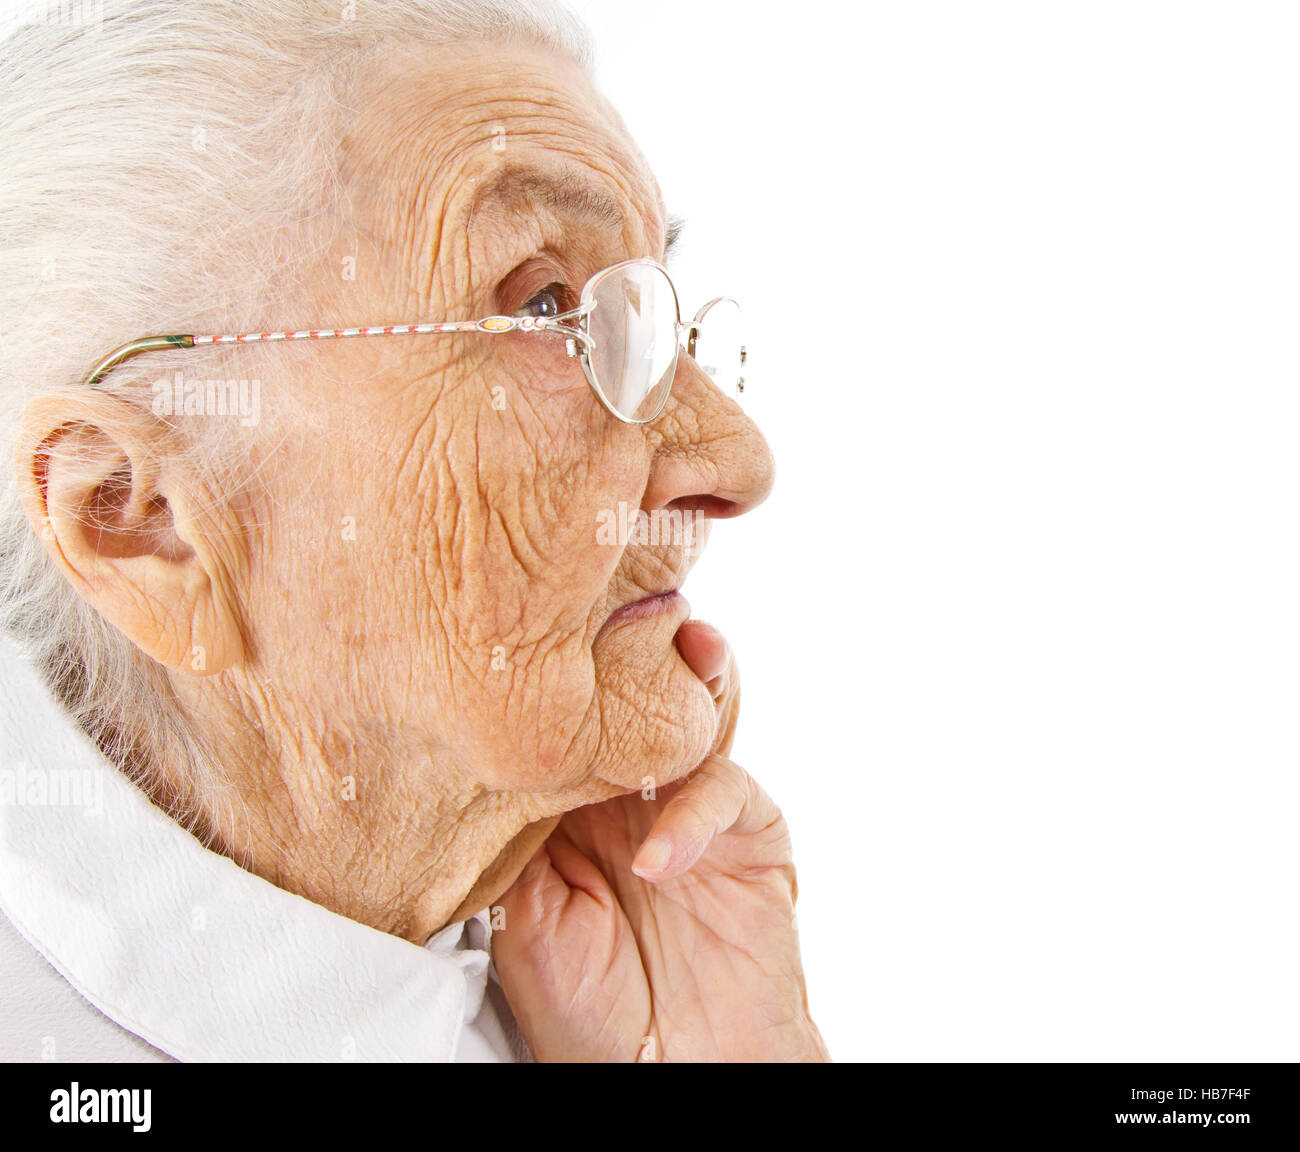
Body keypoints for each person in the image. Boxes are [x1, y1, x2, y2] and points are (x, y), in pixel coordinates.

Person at [0, 0, 828, 1062]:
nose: (732, 458)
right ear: (140, 521)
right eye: (545, 312)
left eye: (652, 322)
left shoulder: (583, 970)